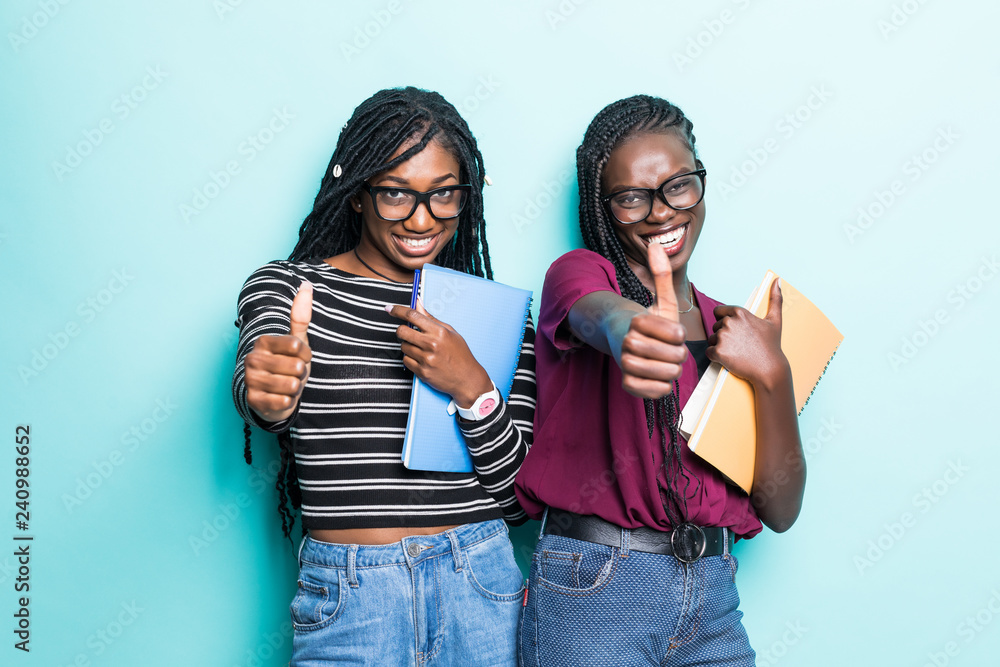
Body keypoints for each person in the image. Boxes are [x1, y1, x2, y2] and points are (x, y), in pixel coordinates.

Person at [230, 87, 534, 666]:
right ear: (356, 195)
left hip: (481, 586)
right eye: (396, 193)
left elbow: (521, 499)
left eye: (444, 195)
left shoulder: (497, 316)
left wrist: (472, 387)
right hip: (353, 596)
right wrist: (269, 390)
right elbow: (264, 382)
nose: (422, 219)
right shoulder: (290, 290)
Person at [515, 95, 806, 666]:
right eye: (630, 198)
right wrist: (632, 332)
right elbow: (595, 312)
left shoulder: (740, 335)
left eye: (678, 185)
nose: (660, 211)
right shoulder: (578, 274)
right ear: (603, 208)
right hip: (596, 591)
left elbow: (780, 509)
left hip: (713, 595)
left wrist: (773, 374)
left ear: (701, 182)